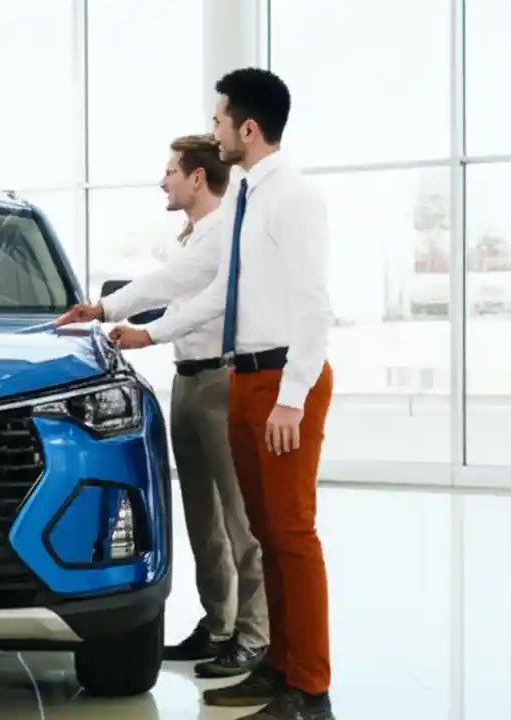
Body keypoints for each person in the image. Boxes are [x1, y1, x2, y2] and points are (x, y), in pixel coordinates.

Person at [112, 68, 335, 719]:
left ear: (246, 127)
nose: (213, 133)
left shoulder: (293, 197)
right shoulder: (246, 201)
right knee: (263, 530)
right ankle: (277, 668)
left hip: (282, 380)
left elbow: (316, 307)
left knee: (290, 535)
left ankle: (310, 689)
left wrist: (293, 397)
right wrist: (139, 331)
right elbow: (209, 293)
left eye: (218, 122)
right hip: (243, 375)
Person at [56, 133, 270, 679]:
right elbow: (166, 283)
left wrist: (118, 318)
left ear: (197, 177)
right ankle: (217, 625)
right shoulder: (197, 234)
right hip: (188, 382)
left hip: (220, 383)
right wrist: (106, 310)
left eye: (171, 171)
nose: (164, 180)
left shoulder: (224, 232)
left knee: (237, 519)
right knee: (202, 516)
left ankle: (254, 635)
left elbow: (187, 293)